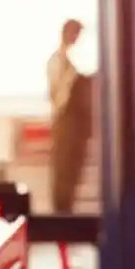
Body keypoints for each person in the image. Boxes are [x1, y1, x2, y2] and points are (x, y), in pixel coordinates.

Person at [48, 19, 92, 215]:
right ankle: (61, 212)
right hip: (65, 121)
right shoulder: (58, 61)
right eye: (73, 33)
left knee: (74, 169)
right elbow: (57, 95)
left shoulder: (74, 62)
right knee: (63, 169)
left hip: (79, 123)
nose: (75, 38)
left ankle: (68, 209)